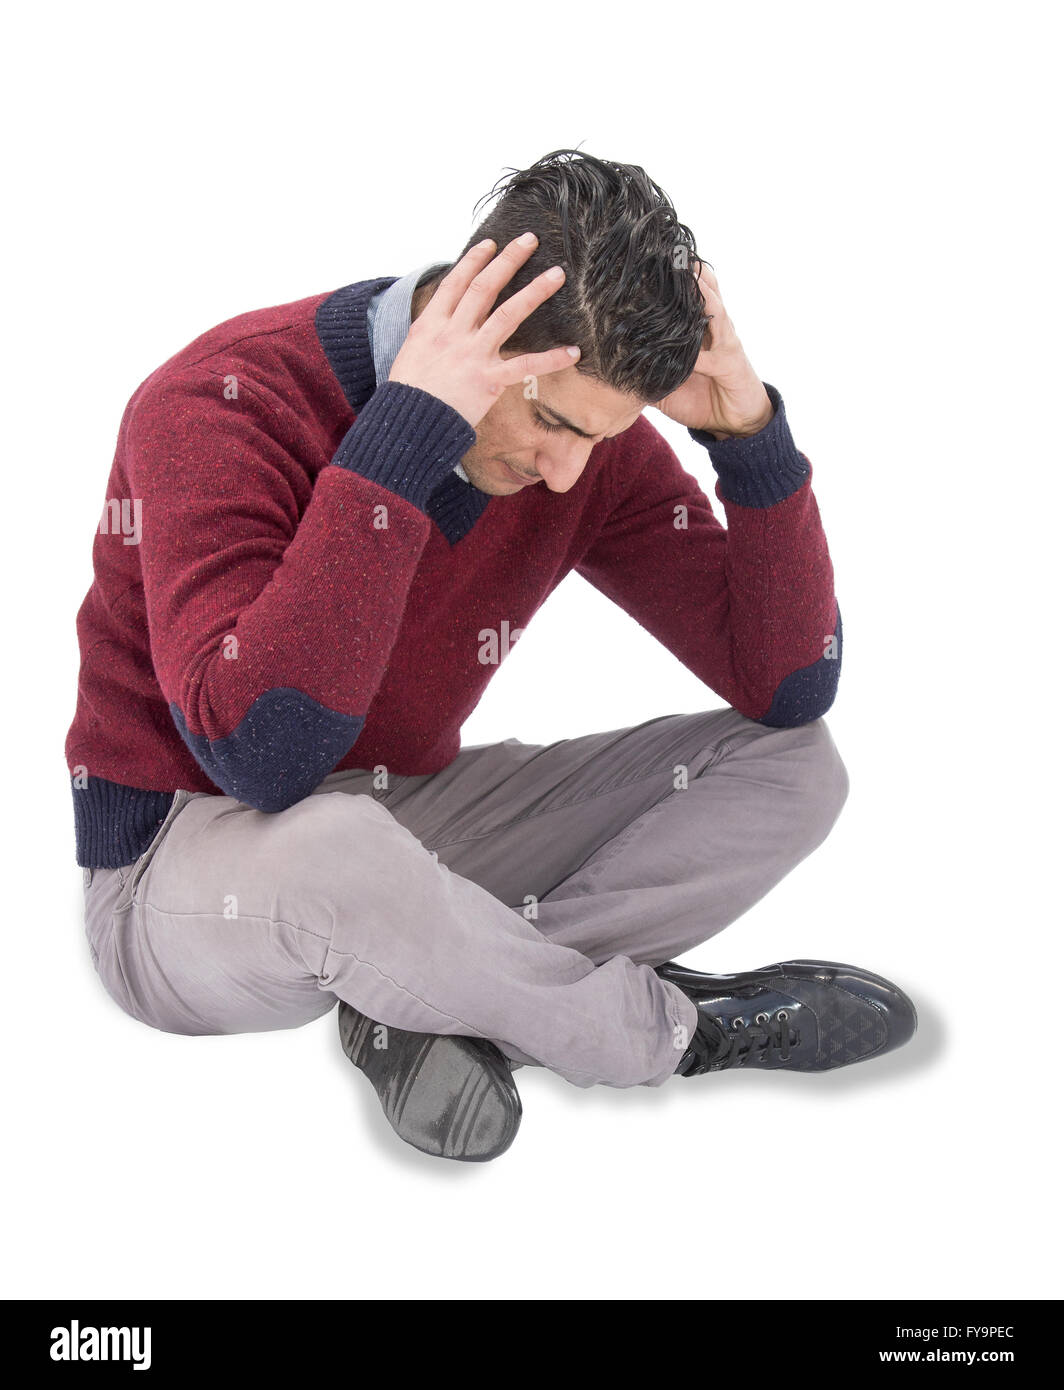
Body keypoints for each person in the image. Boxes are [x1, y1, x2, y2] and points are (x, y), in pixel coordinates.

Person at [67, 148, 916, 1164]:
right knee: (338, 848)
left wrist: (747, 434)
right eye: (552, 422)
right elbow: (263, 755)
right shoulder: (219, 402)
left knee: (795, 771)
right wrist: (405, 438)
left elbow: (786, 681)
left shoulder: (581, 453)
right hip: (182, 867)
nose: (566, 473)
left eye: (598, 437)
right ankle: (668, 1034)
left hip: (403, 823)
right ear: (470, 338)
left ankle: (436, 1002)